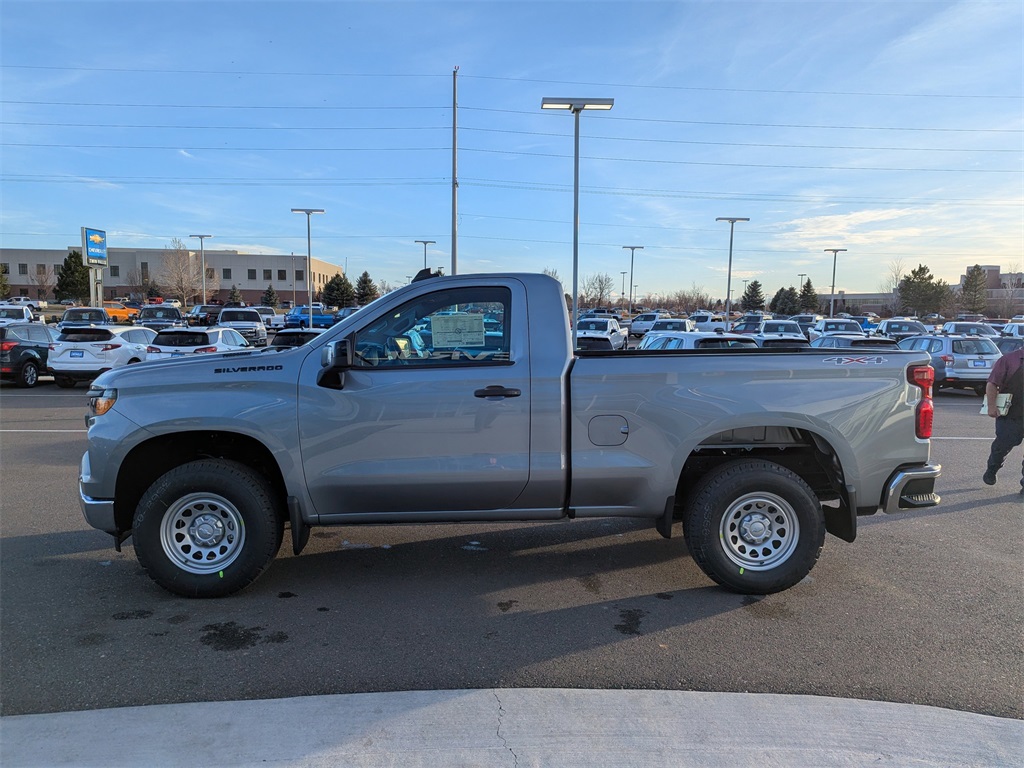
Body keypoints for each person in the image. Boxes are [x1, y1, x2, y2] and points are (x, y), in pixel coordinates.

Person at [982, 347, 1024, 493]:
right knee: (1002, 447)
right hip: (1011, 414)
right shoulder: (1008, 360)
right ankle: (992, 469)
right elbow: (992, 383)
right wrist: (991, 406)